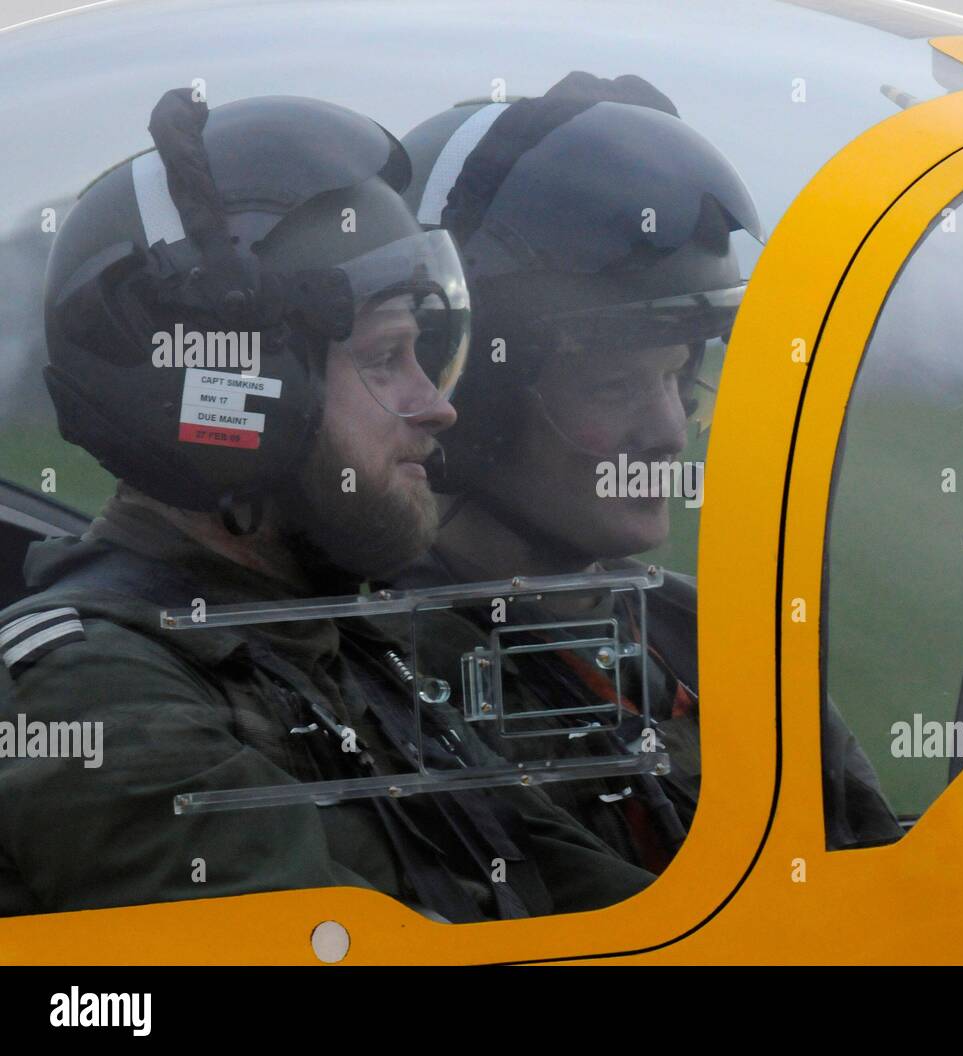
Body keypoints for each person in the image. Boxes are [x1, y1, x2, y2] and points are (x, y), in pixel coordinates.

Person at [0, 89, 654, 921]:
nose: (437, 405)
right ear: (233, 402)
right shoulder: (95, 702)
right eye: (385, 357)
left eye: (425, 354)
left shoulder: (346, 652)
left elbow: (629, 923)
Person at [387, 73, 903, 871]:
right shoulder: (379, 665)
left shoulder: (697, 635)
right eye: (613, 385)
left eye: (677, 377)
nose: (667, 432)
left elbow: (876, 883)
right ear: (471, 399)